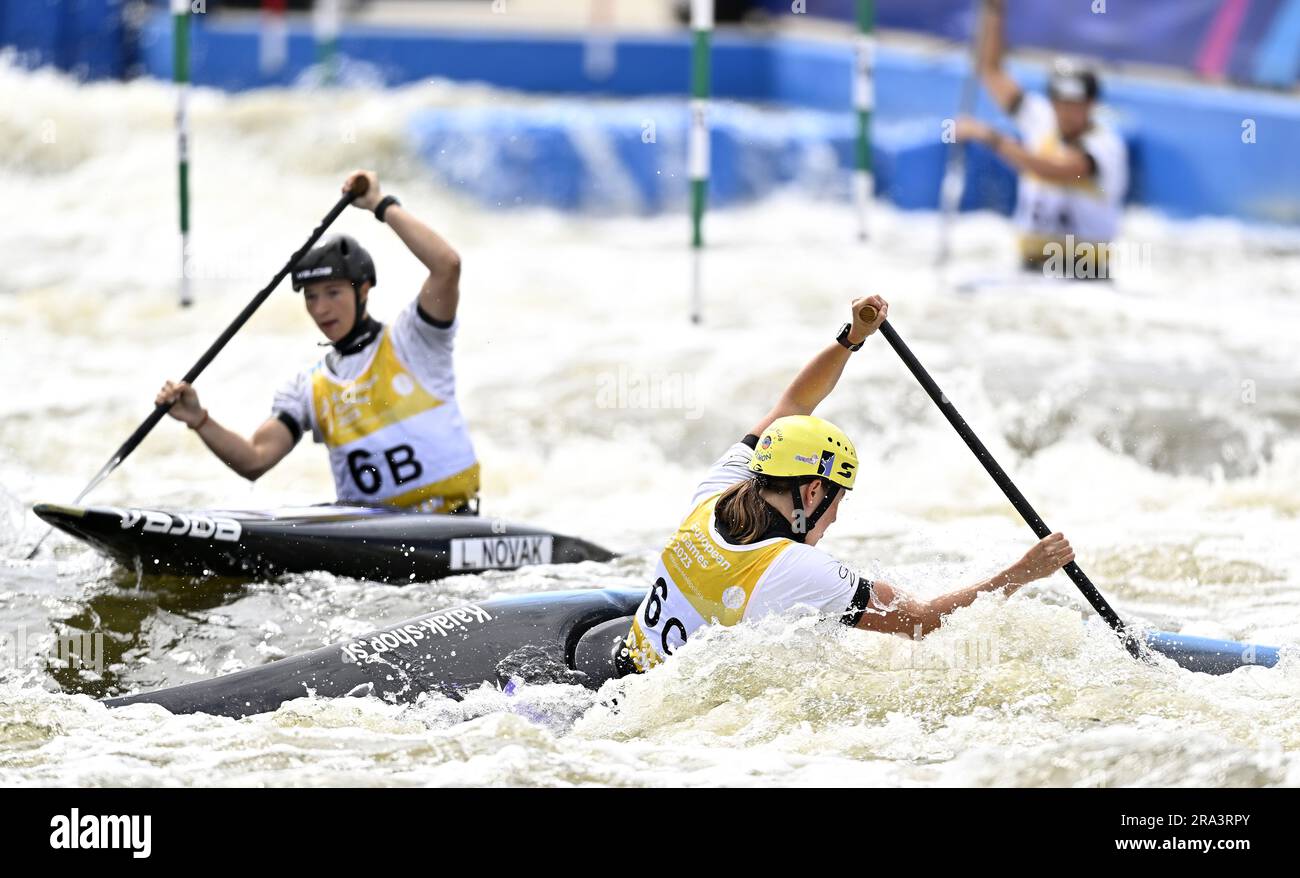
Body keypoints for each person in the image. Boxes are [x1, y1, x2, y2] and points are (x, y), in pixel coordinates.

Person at [621, 296, 1076, 672]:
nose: (835, 518)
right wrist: (1023, 572)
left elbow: (794, 403)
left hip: (625, 666)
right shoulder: (796, 569)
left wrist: (852, 338)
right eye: (838, 500)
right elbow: (922, 621)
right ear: (812, 492)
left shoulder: (719, 489)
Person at [155, 169, 480, 513]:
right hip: (370, 536)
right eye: (311, 296)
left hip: (451, 521)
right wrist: (198, 419)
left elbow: (447, 265)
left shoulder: (414, 341)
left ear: (363, 290)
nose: (321, 308)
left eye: (333, 292)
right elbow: (254, 460)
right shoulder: (307, 389)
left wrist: (379, 204)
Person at [955, 0, 1128, 279]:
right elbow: (991, 70)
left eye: (1076, 104)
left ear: (1091, 104)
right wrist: (994, 11)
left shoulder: (1106, 145)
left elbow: (1056, 169)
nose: (1067, 111)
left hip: (1084, 274)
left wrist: (992, 138)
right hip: (1031, 269)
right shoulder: (1041, 118)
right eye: (1061, 102)